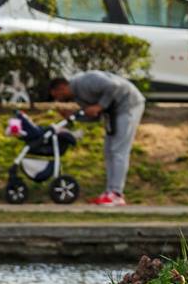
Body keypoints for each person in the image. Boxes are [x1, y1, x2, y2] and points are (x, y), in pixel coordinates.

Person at [48, 72, 145, 206]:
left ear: (62, 88)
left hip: (128, 104)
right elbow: (94, 115)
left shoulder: (85, 81)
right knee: (108, 150)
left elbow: (113, 86)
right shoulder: (78, 97)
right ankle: (109, 192)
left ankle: (116, 194)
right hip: (113, 111)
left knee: (118, 150)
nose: (58, 100)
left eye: (57, 96)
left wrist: (99, 106)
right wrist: (72, 116)